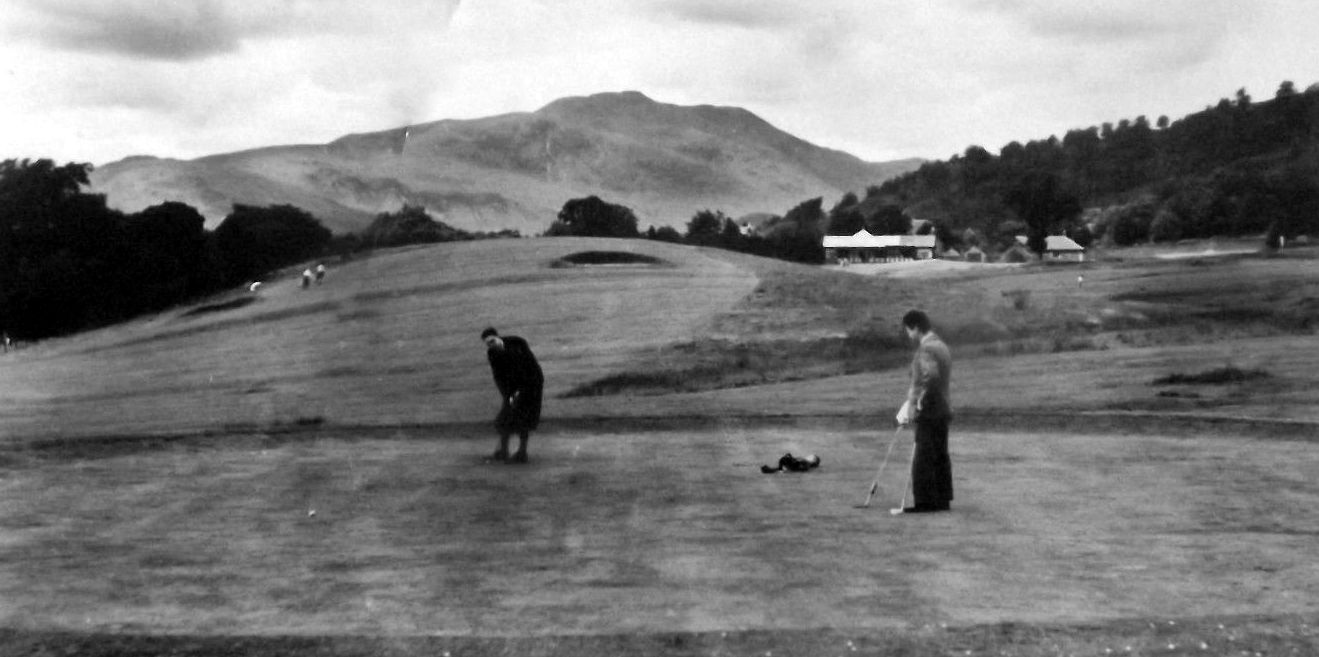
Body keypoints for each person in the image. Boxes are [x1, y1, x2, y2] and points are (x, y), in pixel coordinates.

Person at [893, 309, 954, 513]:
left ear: (916, 328)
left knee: (924, 456)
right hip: (943, 408)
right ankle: (942, 499)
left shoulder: (926, 349)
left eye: (908, 331)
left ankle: (925, 502)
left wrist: (916, 403)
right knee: (940, 454)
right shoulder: (941, 345)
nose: (909, 335)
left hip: (930, 409)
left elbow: (930, 378)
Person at [481, 327, 544, 463]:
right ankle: (504, 451)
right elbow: (498, 376)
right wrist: (507, 395)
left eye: (492, 341)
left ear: (498, 337)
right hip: (512, 387)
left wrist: (519, 392)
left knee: (523, 418)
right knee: (505, 418)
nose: (491, 345)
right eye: (488, 343)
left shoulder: (517, 345)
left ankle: (522, 453)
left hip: (532, 383)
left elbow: (528, 368)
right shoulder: (492, 354)